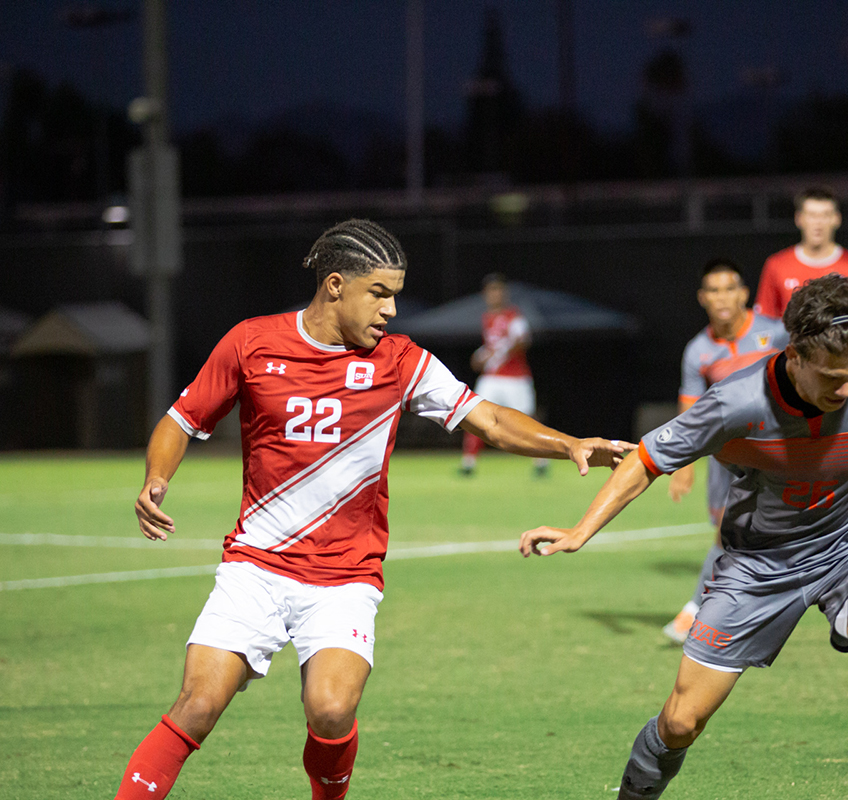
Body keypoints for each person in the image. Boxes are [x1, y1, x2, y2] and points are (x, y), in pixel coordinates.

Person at [115, 220, 630, 800]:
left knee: (331, 711)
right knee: (197, 705)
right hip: (255, 567)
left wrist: (566, 443)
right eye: (379, 294)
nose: (390, 311)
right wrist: (156, 478)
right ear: (335, 285)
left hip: (345, 576)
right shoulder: (251, 342)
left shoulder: (400, 361)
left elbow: (487, 417)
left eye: (395, 296)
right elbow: (181, 420)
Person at [520, 274, 848, 800]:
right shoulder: (737, 402)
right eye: (832, 378)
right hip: (760, 564)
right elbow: (645, 460)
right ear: (795, 356)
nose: (847, 388)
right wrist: (580, 530)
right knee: (682, 722)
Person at [662, 258, 788, 644]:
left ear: (743, 293)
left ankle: (696, 611)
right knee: (728, 534)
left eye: (729, 288)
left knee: (738, 533)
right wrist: (683, 463)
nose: (722, 297)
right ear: (702, 298)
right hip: (726, 459)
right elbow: (691, 408)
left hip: (778, 452)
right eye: (713, 290)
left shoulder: (776, 334)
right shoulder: (698, 351)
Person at [755, 185, 848, 349]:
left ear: (837, 219)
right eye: (812, 215)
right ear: (799, 218)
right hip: (794, 364)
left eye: (825, 215)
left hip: (844, 366)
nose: (818, 223)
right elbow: (763, 327)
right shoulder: (776, 265)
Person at [460, 272, 548, 476]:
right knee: (475, 414)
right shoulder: (487, 318)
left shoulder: (513, 316)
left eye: (498, 290)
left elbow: (523, 340)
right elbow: (489, 348)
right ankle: (468, 462)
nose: (494, 294)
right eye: (491, 290)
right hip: (492, 377)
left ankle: (541, 460)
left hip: (515, 377)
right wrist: (481, 356)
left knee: (526, 421)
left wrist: (502, 351)